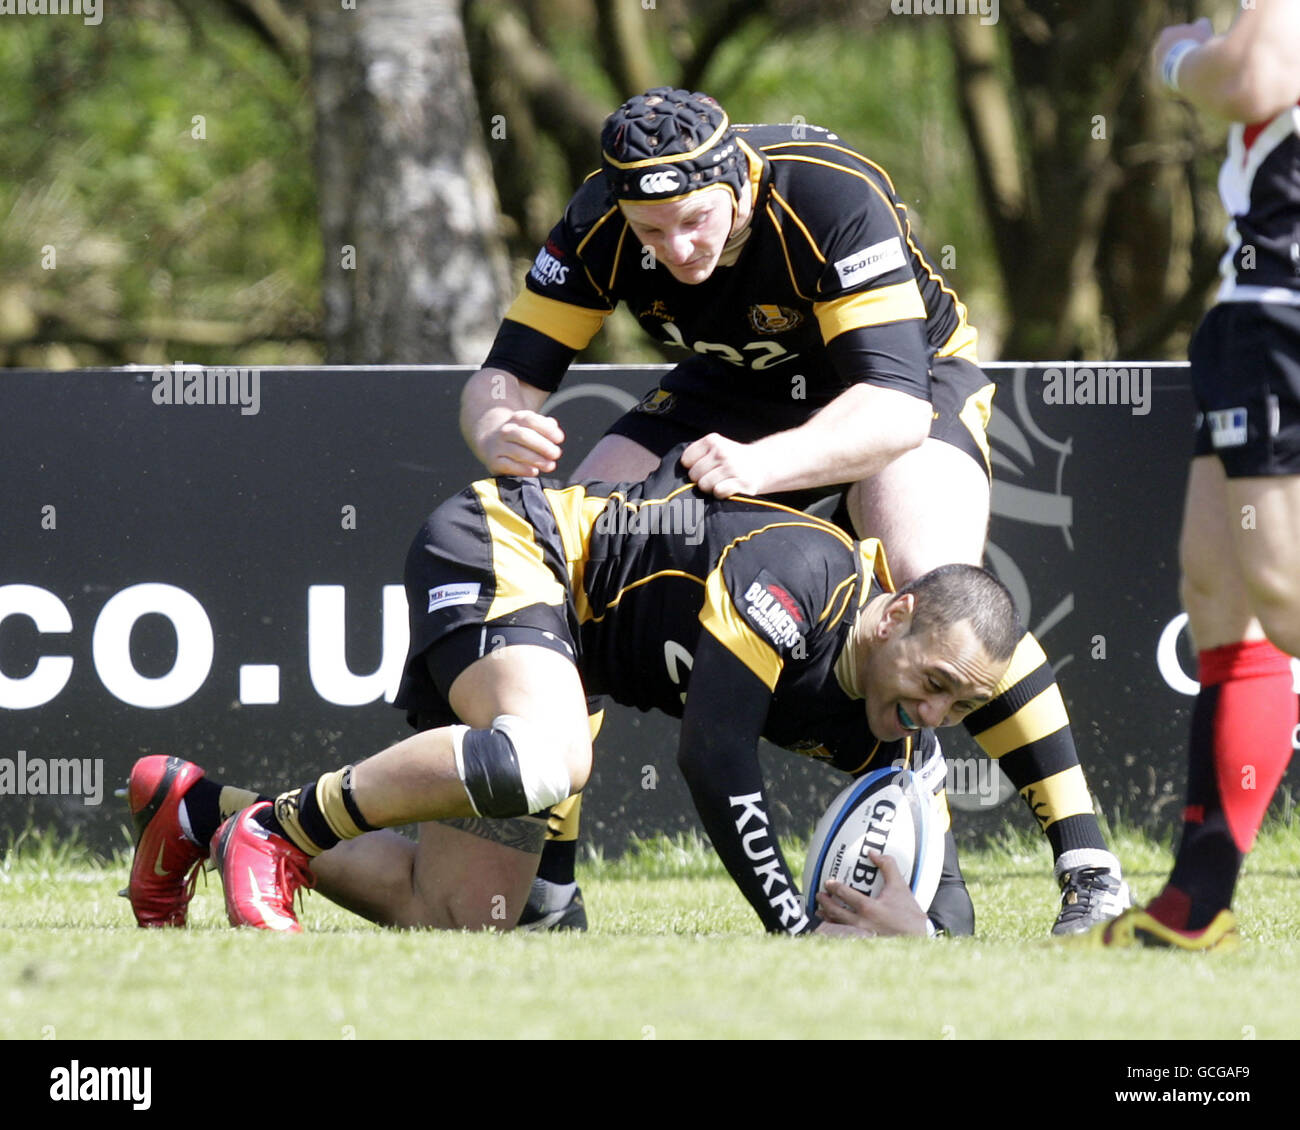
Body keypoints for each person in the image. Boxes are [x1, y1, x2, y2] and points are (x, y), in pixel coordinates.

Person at [461, 87, 1128, 934]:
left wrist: (759, 465)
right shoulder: (599, 215)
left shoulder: (828, 193)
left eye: (696, 221)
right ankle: (549, 888)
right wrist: (496, 424)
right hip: (731, 386)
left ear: (739, 180)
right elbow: (504, 372)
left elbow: (890, 412)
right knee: (570, 554)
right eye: (651, 233)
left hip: (894, 379)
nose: (677, 249)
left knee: (937, 590)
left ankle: (1090, 866)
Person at [124, 449, 1020, 937]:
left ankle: (200, 811)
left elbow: (941, 894)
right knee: (549, 758)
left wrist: (920, 935)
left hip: (565, 659)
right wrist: (794, 930)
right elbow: (714, 755)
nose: (932, 716)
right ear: (893, 613)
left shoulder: (901, 725)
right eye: (933, 683)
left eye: (958, 707)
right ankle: (277, 835)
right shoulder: (800, 576)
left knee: (460, 915)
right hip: (513, 544)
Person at [1083, 1, 1300, 951]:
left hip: (1284, 312)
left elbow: (1251, 77)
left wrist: (1178, 58)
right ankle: (1198, 901)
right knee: (1219, 594)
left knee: (1285, 597)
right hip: (1250, 309)